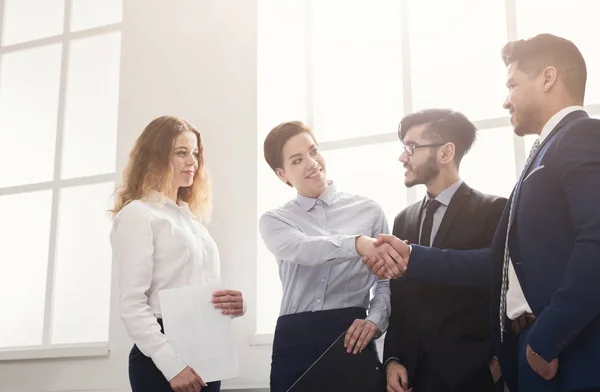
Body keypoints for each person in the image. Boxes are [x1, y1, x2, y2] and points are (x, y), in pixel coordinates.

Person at [365, 34, 600, 392]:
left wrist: (546, 338)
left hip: (565, 352)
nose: (506, 101)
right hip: (536, 351)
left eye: (512, 85)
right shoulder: (546, 150)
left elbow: (596, 241)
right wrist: (414, 256)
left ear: (548, 78)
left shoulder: (581, 135)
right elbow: (500, 264)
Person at [258, 121, 400, 392]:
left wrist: (376, 320)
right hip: (294, 338)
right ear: (281, 174)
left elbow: (385, 280)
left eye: (314, 151)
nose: (312, 163)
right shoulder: (275, 220)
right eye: (298, 159)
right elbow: (303, 249)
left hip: (350, 333)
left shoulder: (369, 210)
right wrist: (357, 244)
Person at [110, 116, 246, 392]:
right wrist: (173, 366)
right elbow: (132, 305)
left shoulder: (192, 221)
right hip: (163, 361)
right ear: (154, 157)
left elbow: (197, 291)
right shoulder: (139, 214)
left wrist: (232, 306)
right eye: (181, 152)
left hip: (207, 356)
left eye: (195, 153)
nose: (192, 161)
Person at [383, 109, 507, 392]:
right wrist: (392, 359)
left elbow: (504, 289)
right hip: (411, 376)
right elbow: (399, 299)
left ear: (446, 152)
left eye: (411, 147)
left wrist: (497, 363)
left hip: (473, 376)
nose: (403, 157)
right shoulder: (403, 219)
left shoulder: (493, 210)